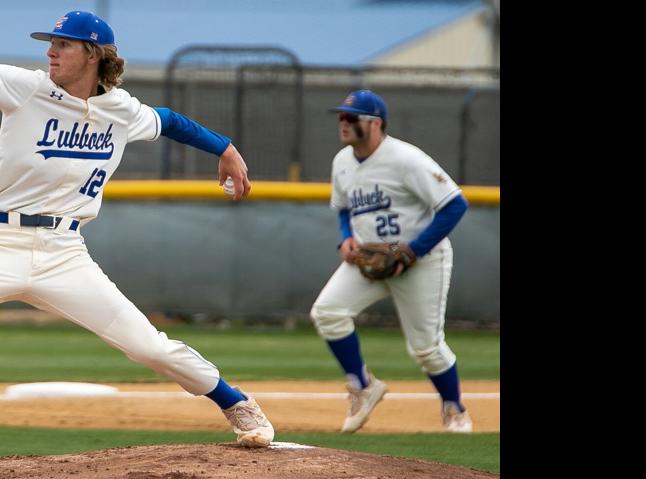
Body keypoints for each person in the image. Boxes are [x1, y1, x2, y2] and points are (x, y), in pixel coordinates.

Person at [0, 11, 274, 447]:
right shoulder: (25, 86)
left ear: (93, 55)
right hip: (2, 242)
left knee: (148, 346)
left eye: (64, 44)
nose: (50, 50)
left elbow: (171, 121)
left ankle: (235, 402)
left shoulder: (120, 109)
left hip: (63, 252)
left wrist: (225, 147)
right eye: (50, 42)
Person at [310, 89, 473, 433]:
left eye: (350, 117)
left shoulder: (406, 159)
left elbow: (455, 204)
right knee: (328, 312)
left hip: (421, 261)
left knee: (426, 349)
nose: (343, 122)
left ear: (375, 124)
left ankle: (455, 409)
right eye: (340, 116)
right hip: (368, 258)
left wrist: (414, 251)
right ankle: (363, 386)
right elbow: (342, 208)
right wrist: (346, 238)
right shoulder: (342, 161)